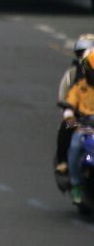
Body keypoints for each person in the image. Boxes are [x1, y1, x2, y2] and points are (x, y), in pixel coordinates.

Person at [61, 50, 94, 205]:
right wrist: (69, 117)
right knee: (75, 146)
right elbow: (69, 105)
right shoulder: (79, 87)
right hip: (84, 126)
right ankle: (76, 184)